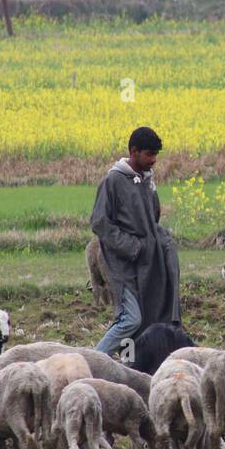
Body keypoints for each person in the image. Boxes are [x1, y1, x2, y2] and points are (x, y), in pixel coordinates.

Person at [89, 126, 181, 356]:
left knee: (148, 317)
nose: (154, 160)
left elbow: (153, 216)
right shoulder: (113, 181)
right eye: (149, 154)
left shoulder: (147, 181)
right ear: (134, 151)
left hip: (147, 263)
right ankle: (92, 361)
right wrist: (132, 247)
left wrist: (159, 241)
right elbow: (100, 222)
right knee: (130, 319)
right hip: (123, 264)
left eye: (156, 155)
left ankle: (132, 364)